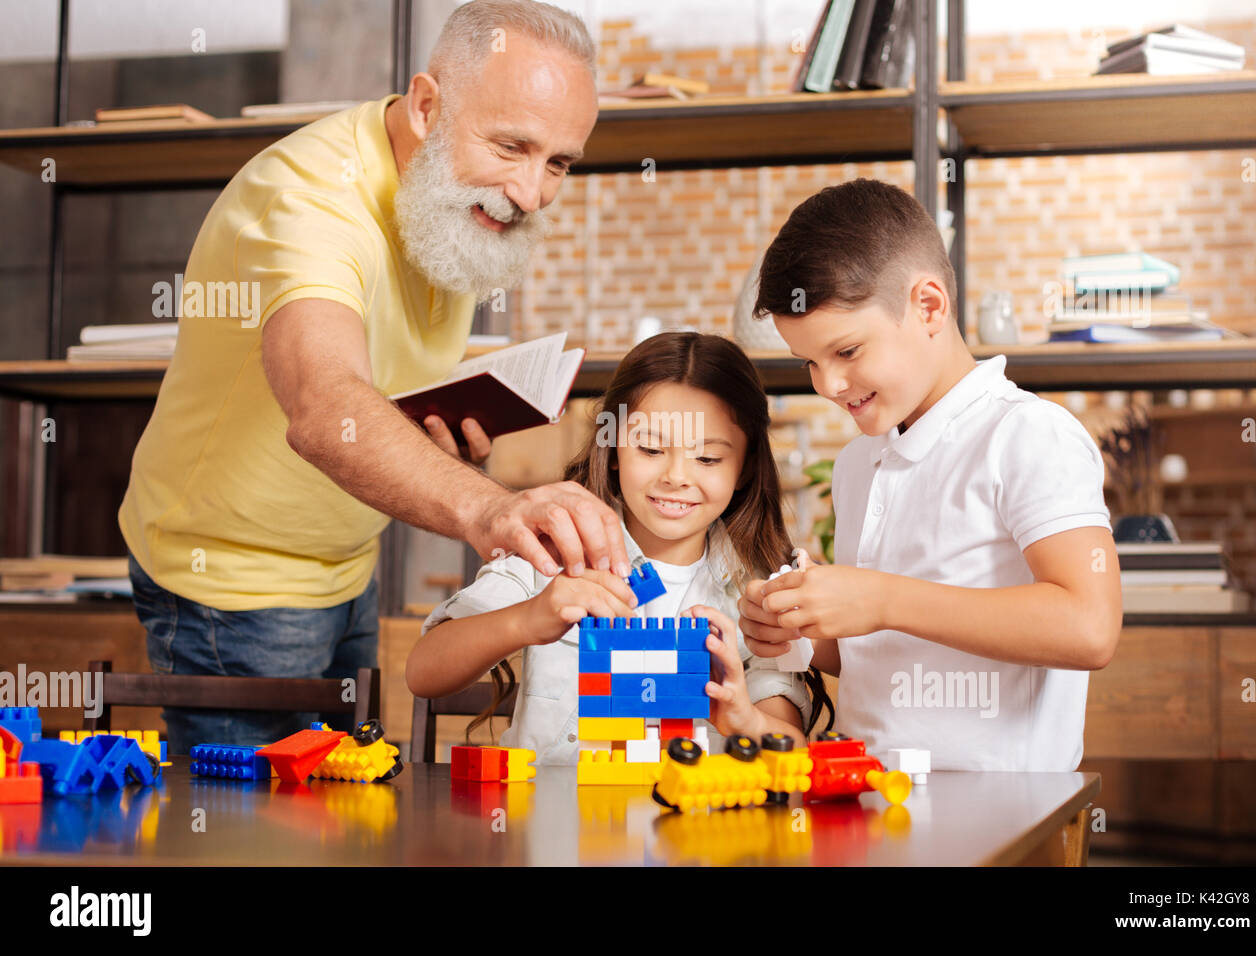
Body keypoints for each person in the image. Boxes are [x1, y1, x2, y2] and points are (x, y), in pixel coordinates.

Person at [118, 1, 632, 754]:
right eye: (513, 146)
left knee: (342, 814)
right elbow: (324, 406)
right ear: (427, 106)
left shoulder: (453, 198)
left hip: (347, 566)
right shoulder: (308, 200)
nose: (531, 191)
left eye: (558, 162)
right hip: (229, 584)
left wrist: (441, 436)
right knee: (252, 835)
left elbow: (375, 385)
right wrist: (490, 511)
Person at [739, 178, 1122, 772]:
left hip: (1007, 815)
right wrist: (805, 633)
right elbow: (882, 650)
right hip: (870, 801)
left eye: (847, 352)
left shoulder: (1027, 434)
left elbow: (1090, 627)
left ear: (928, 307)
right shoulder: (857, 463)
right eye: (810, 362)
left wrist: (881, 598)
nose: (828, 385)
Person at [408, 332, 831, 762]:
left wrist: (744, 718)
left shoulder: (761, 593)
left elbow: (793, 754)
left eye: (707, 459)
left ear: (743, 468)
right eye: (649, 448)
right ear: (612, 449)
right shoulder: (556, 552)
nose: (676, 476)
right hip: (556, 824)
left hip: (698, 825)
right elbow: (423, 673)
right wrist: (529, 618)